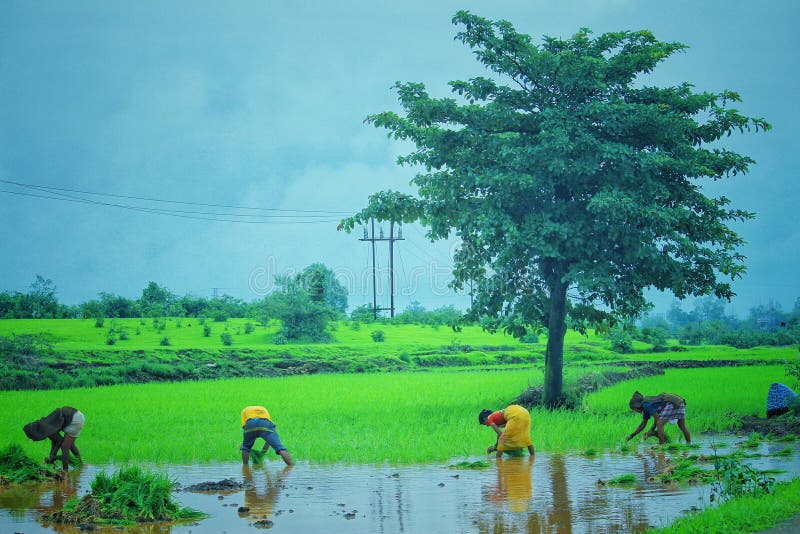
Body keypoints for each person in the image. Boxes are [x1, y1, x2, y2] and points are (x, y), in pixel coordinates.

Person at [23, 406, 85, 472]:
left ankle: (65, 472)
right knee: (70, 444)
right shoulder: (43, 425)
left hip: (75, 419)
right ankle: (80, 464)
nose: (33, 439)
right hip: (75, 416)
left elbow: (59, 441)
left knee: (65, 446)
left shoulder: (45, 428)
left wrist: (53, 456)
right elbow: (55, 440)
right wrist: (52, 455)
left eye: (32, 437)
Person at [626, 391, 691, 445]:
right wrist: (631, 435)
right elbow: (643, 424)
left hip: (672, 403)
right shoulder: (645, 408)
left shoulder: (645, 405)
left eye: (634, 409)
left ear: (637, 406)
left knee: (659, 424)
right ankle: (689, 444)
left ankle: (661, 446)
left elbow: (657, 417)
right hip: (680, 402)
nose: (636, 411)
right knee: (681, 426)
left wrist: (652, 430)